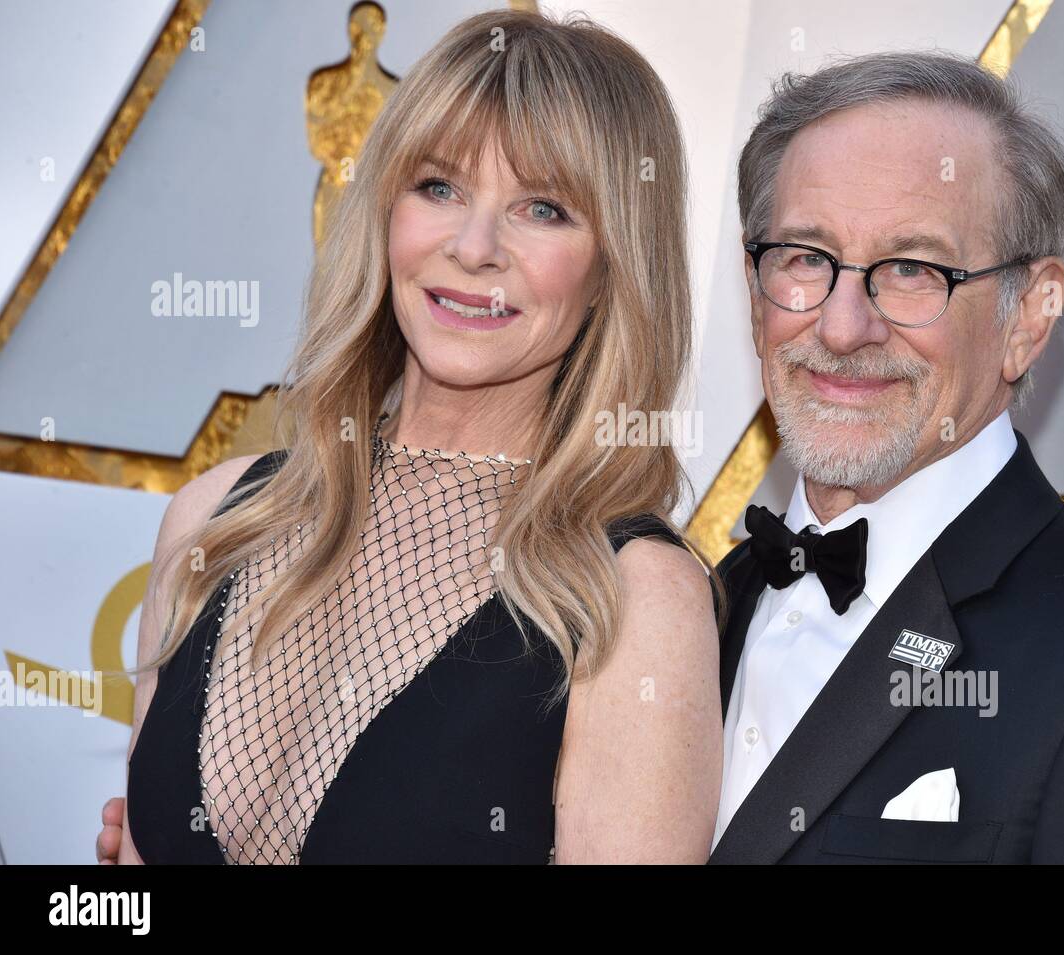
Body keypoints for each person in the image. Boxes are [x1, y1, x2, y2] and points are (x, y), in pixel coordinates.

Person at [103, 8, 722, 864]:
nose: (474, 247)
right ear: (385, 209)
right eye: (439, 187)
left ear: (614, 267)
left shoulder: (630, 597)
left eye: (542, 209)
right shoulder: (217, 518)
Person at [707, 50, 1064, 863]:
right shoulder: (685, 621)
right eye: (805, 258)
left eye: (911, 268)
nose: (840, 327)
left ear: (1031, 315)